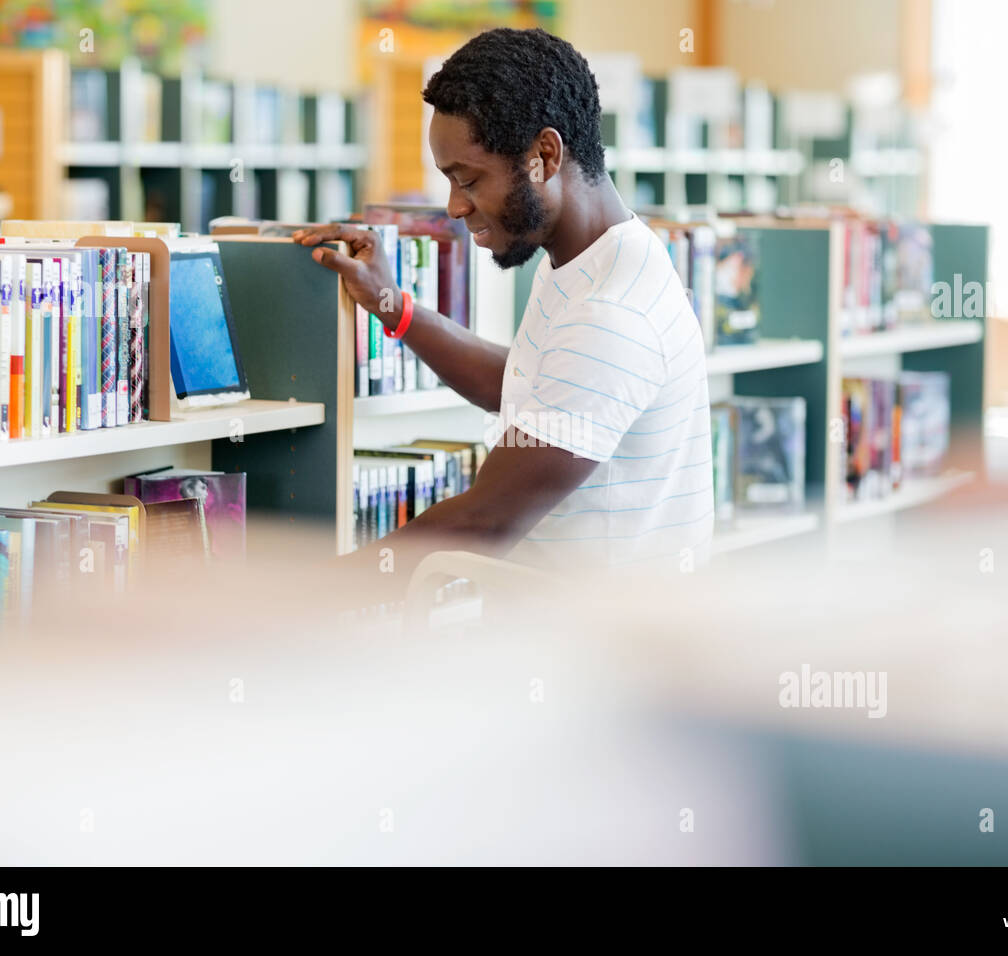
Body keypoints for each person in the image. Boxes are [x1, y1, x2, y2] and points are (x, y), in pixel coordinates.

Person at [296, 27, 712, 594]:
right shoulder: (594, 256)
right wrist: (394, 307)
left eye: (467, 179)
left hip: (595, 661)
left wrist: (291, 599)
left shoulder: (611, 313)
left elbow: (481, 522)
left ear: (544, 156)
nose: (455, 205)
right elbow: (527, 387)